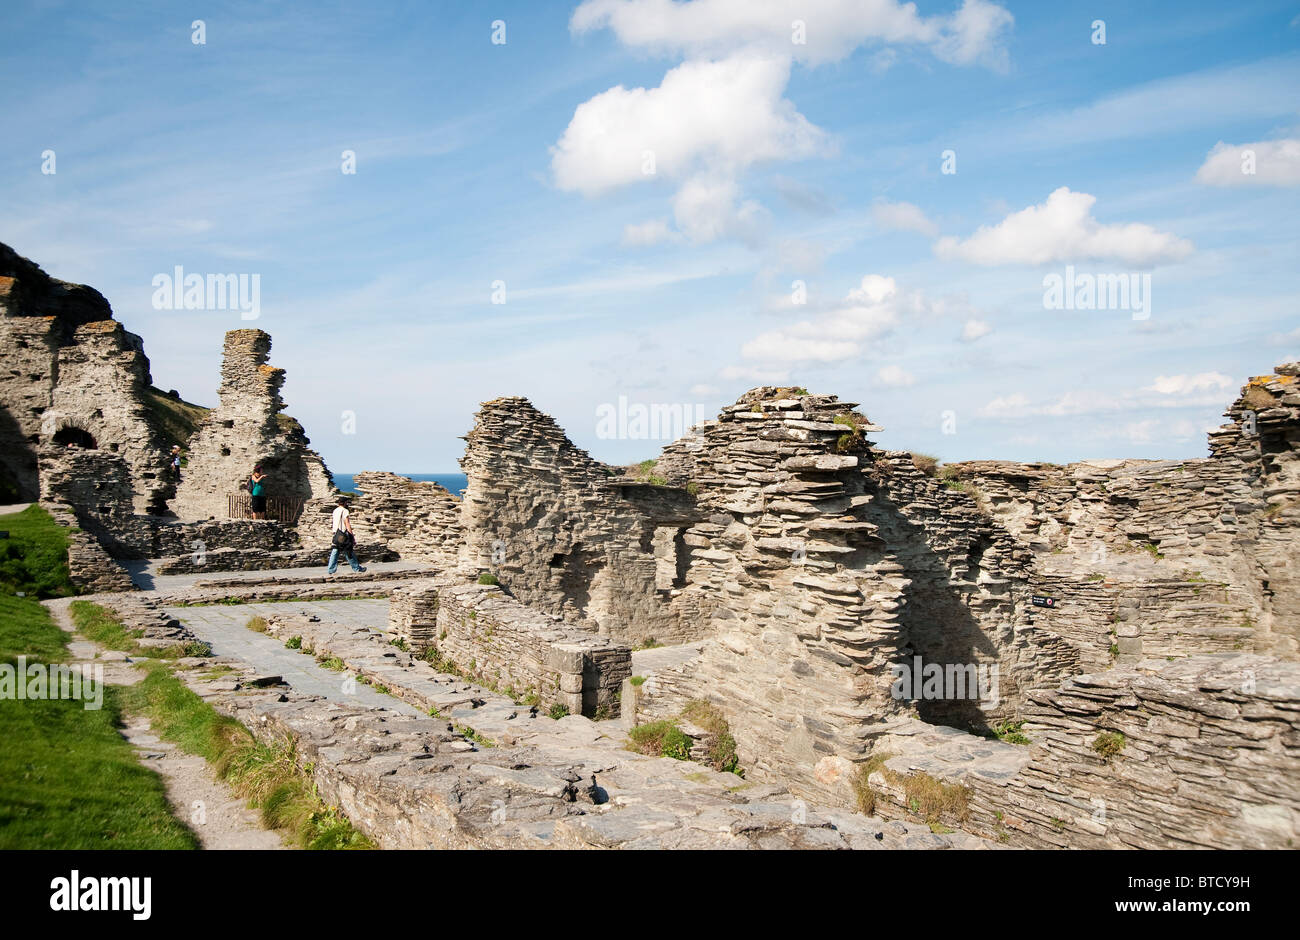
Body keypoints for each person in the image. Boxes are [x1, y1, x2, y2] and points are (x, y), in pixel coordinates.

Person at [328, 495, 366, 574]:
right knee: (349, 551)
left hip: (336, 533)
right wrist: (352, 536)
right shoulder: (345, 511)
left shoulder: (335, 511)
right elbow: (347, 524)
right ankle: (357, 568)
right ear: (345, 503)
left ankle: (331, 569)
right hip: (343, 534)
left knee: (335, 551)